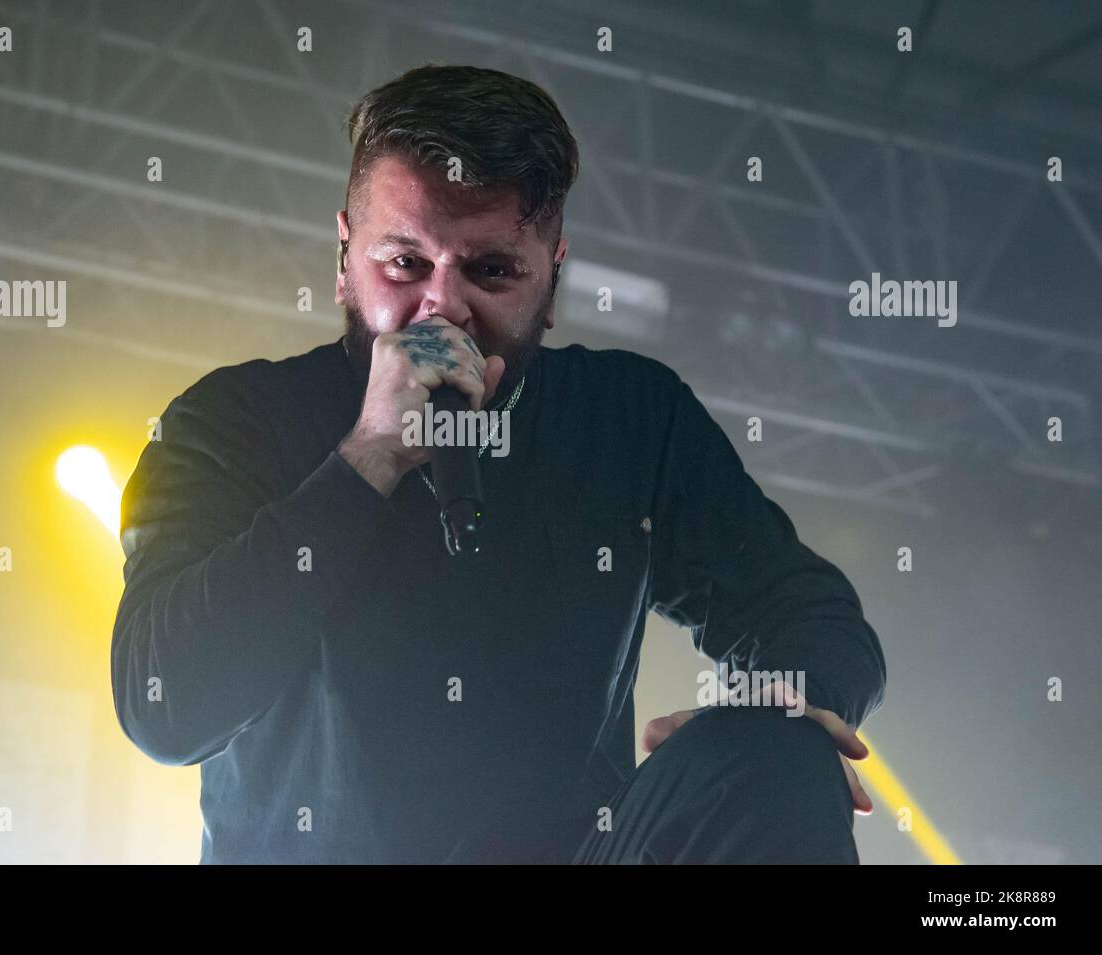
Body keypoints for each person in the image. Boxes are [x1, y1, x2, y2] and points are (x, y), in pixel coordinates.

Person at [110, 63, 887, 864]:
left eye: (491, 271)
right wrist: (367, 457)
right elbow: (163, 705)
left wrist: (781, 712)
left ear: (552, 278)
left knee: (779, 750)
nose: (442, 307)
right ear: (344, 258)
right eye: (404, 264)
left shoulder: (629, 419)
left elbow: (811, 613)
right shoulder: (233, 420)